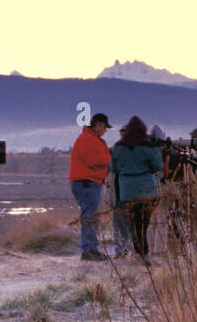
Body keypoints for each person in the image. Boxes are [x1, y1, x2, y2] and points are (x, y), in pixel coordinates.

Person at [109, 116, 164, 261]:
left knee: (134, 223)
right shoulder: (147, 146)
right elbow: (158, 166)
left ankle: (140, 253)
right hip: (147, 189)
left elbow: (113, 168)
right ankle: (144, 254)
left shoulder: (118, 147)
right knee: (144, 223)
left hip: (127, 191)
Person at [68, 112, 111, 260]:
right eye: (105, 127)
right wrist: (110, 158)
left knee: (90, 215)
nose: (105, 131)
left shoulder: (89, 138)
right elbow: (94, 160)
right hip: (87, 182)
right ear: (98, 125)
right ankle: (89, 250)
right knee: (89, 216)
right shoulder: (89, 139)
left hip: (86, 182)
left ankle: (91, 248)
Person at [108, 123, 132, 258]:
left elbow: (112, 168)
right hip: (134, 194)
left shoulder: (117, 149)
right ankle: (135, 251)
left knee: (120, 224)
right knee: (133, 224)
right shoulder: (141, 149)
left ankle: (121, 250)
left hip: (121, 193)